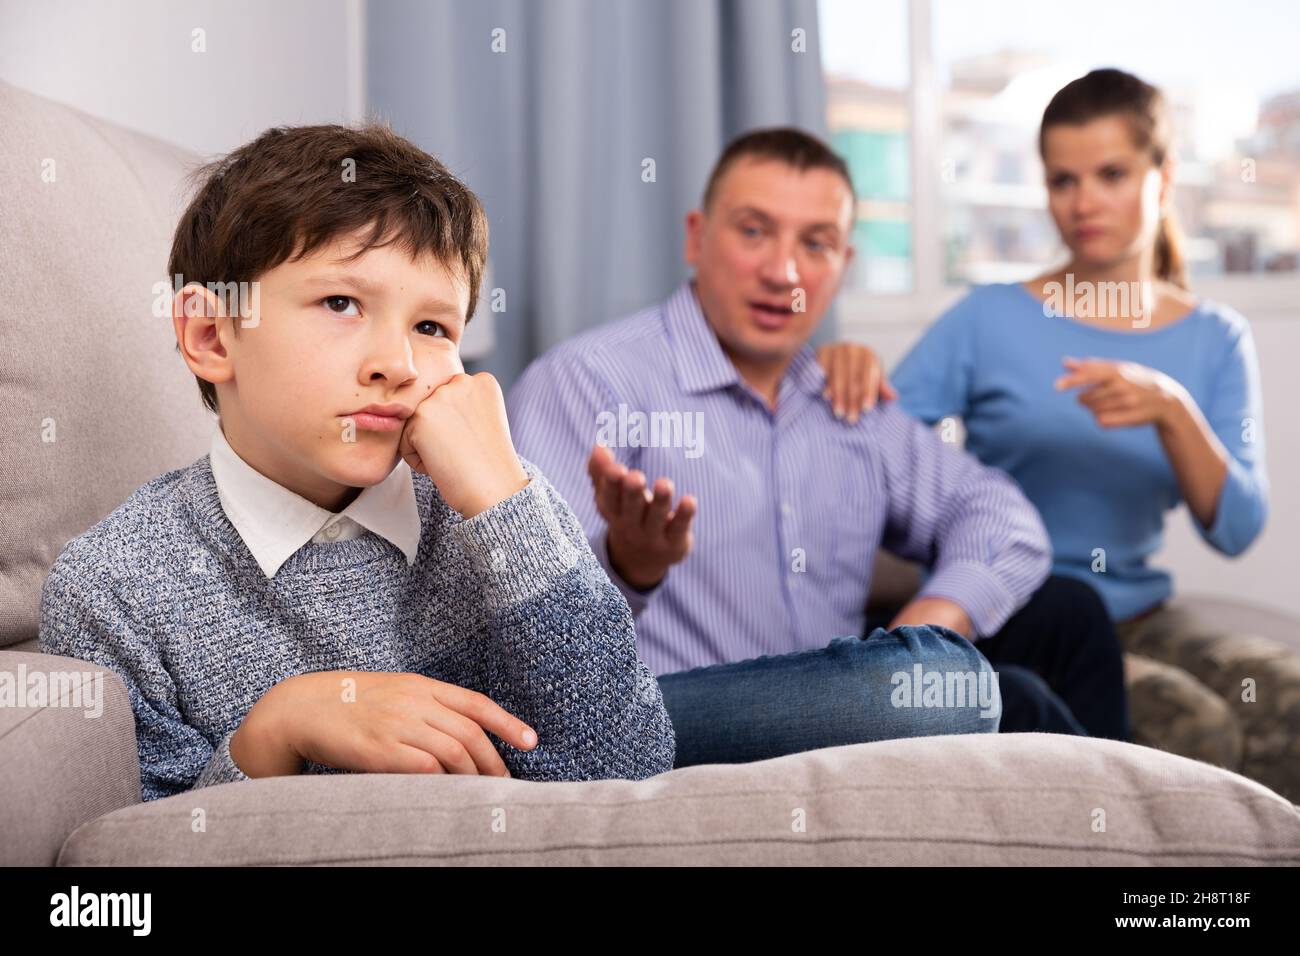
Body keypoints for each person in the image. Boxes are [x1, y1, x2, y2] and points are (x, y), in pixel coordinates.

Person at [37, 122, 675, 802]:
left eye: (432, 327)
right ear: (211, 335)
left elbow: (629, 773)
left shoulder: (503, 508)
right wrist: (277, 731)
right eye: (341, 303)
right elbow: (128, 852)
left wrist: (504, 502)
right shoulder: (113, 588)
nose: (396, 365)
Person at [508, 127, 1130, 767]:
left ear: (843, 265)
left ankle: (1127, 832)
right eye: (754, 231)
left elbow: (1002, 516)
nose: (783, 273)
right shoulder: (587, 381)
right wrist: (628, 563)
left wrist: (929, 626)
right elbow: (534, 642)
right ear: (697, 237)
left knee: (1062, 617)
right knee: (968, 693)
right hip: (659, 720)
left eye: (816, 244)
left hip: (840, 714)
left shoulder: (846, 402)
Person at [888, 68, 1293, 797]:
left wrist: (1174, 409)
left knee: (1287, 700)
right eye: (1061, 180)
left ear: (1163, 179)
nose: (1083, 203)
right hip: (1022, 617)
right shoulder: (990, 318)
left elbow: (1235, 530)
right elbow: (874, 452)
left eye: (1110, 174)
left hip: (1144, 615)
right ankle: (1170, 906)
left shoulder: (1213, 338)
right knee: (1197, 727)